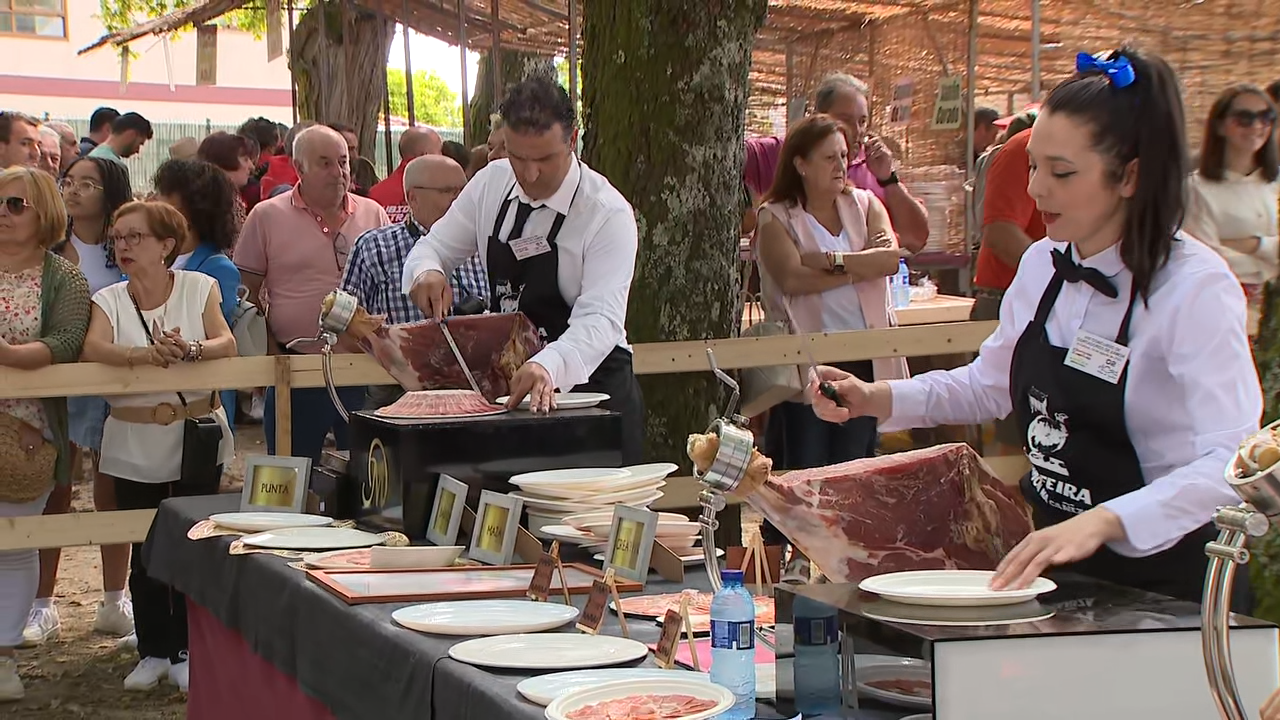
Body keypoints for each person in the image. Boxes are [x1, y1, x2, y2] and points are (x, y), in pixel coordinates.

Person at [808, 47, 1260, 610]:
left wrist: (1107, 520)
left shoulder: (1194, 288)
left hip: (1172, 590)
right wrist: (873, 397)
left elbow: (1233, 463)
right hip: (1054, 570)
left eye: (1061, 172)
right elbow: (989, 383)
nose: (1037, 191)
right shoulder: (1044, 263)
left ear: (1131, 176)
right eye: (1032, 167)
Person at [403, 77, 645, 463]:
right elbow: (433, 246)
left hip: (593, 402)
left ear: (572, 141)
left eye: (545, 160)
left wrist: (547, 364)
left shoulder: (606, 213)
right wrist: (426, 273)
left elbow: (601, 320)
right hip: (513, 400)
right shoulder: (490, 184)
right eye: (517, 158)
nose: (529, 174)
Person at [82, 201, 236, 693]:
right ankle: (152, 648)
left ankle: (190, 647)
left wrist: (189, 350)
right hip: (132, 438)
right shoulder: (107, 299)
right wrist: (142, 355)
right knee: (145, 549)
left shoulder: (199, 287)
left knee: (195, 542)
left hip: (196, 434)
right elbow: (94, 348)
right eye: (118, 238)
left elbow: (224, 343)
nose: (123, 246)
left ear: (165, 245)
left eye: (135, 237)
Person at [22, 156, 134, 651]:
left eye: (88, 183)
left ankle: (115, 598)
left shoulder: (127, 248)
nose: (75, 191)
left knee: (114, 489)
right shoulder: (49, 251)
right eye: (70, 182)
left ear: (109, 194)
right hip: (60, 382)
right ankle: (41, 604)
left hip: (116, 381)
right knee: (55, 490)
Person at [754, 113, 905, 470]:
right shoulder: (775, 216)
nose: (841, 165)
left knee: (855, 466)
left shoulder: (867, 204)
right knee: (805, 466)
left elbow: (888, 261)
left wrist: (830, 261)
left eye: (843, 156)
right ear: (801, 164)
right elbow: (793, 279)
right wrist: (857, 269)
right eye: (829, 157)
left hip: (864, 356)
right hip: (805, 361)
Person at [235, 125, 388, 462]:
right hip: (296, 368)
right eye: (325, 163)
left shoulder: (373, 213)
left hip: (362, 370)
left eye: (343, 162)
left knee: (369, 476)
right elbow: (246, 294)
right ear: (298, 167)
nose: (339, 173)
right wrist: (269, 354)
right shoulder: (266, 216)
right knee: (290, 473)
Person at [0, 167, 90, 702]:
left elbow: (66, 340)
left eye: (15, 204)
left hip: (28, 433)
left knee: (13, 547)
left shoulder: (64, 277)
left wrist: (9, 357)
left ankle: (4, 657)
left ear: (43, 215)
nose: (2, 213)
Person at [344, 154, 483, 409]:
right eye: (448, 191)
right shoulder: (374, 246)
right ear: (412, 197)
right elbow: (347, 324)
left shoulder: (483, 243)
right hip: (397, 390)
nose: (460, 199)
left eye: (464, 190)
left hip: (477, 383)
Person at [744, 74, 931, 253]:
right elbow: (731, 155)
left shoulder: (874, 169)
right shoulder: (785, 152)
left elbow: (916, 239)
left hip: (866, 283)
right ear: (817, 117)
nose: (856, 130)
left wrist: (888, 179)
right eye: (845, 120)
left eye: (862, 121)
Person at [152, 159, 243, 429]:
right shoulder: (147, 259)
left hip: (199, 402)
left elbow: (212, 333)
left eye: (163, 200)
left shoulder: (218, 269)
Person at [1183, 84, 1279, 337]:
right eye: (1244, 118)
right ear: (1220, 125)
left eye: (1265, 117)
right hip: (1225, 312)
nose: (1257, 126)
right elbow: (1204, 258)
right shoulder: (1196, 188)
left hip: (1272, 312)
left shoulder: (1270, 184)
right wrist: (1268, 255)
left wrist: (1252, 245)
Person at [369, 126, 443, 223]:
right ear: (426, 155)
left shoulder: (375, 194)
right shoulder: (439, 191)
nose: (442, 156)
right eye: (439, 151)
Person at [87, 112, 153, 166]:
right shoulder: (113, 165)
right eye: (139, 144)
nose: (137, 151)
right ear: (131, 134)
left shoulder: (91, 157)